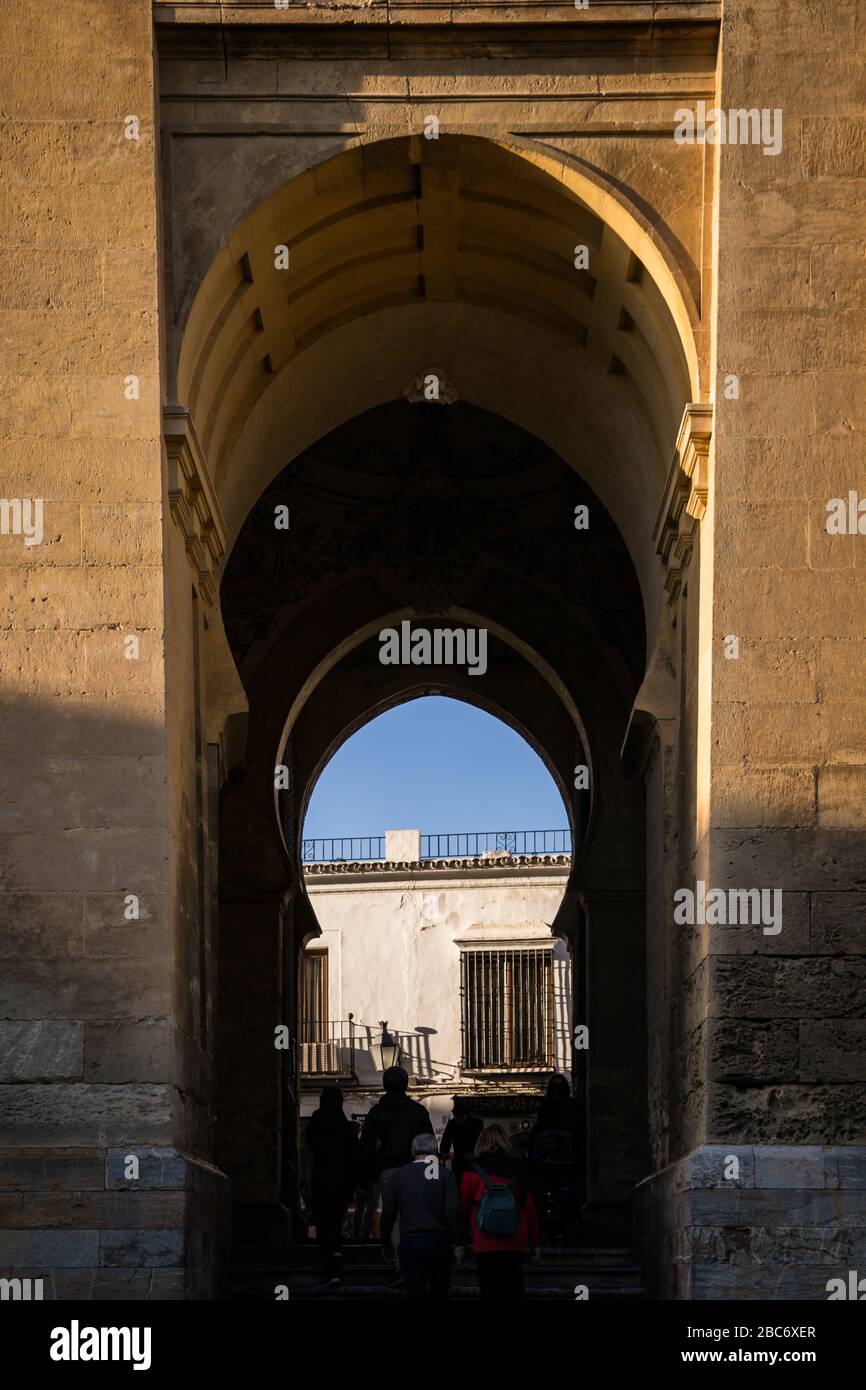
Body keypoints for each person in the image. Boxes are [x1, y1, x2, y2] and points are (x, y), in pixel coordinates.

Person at [360, 1065, 434, 1280]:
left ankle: (401, 1263)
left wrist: (368, 1175)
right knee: (414, 1214)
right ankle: (415, 1262)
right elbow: (429, 1142)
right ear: (405, 1084)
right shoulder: (418, 1111)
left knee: (393, 1217)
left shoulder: (376, 1113)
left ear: (385, 1085)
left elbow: (366, 1146)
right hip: (416, 1170)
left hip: (388, 1172)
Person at [460, 1123, 540, 1299]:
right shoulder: (519, 1167)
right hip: (515, 1236)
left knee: (489, 1289)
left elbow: (464, 1208)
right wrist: (535, 1242)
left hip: (484, 1238)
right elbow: (529, 1206)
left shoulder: (471, 1170)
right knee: (514, 1287)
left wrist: (462, 1241)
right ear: (505, 1142)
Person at [380, 1134, 466, 1298]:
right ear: (435, 1151)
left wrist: (385, 1243)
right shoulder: (444, 1174)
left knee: (414, 1292)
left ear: (413, 1151)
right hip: (439, 1241)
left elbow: (388, 1214)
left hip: (410, 1241)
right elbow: (452, 1210)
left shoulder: (399, 1175)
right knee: (439, 1291)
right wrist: (460, 1241)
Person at [305, 1086, 360, 1287]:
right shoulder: (345, 1127)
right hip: (341, 1182)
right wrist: (355, 1184)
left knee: (323, 1222)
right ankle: (336, 1252)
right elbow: (354, 1156)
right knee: (336, 1221)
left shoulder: (316, 1122)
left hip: (321, 1180)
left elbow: (310, 1144)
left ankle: (329, 1261)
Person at [438, 1097, 483, 1179]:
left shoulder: (477, 1124)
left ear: (465, 1115)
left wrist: (474, 1153)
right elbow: (446, 1140)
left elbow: (480, 1141)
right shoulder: (453, 1123)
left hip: (473, 1158)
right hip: (459, 1159)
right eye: (456, 1117)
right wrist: (444, 1153)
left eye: (459, 1117)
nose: (457, 1119)